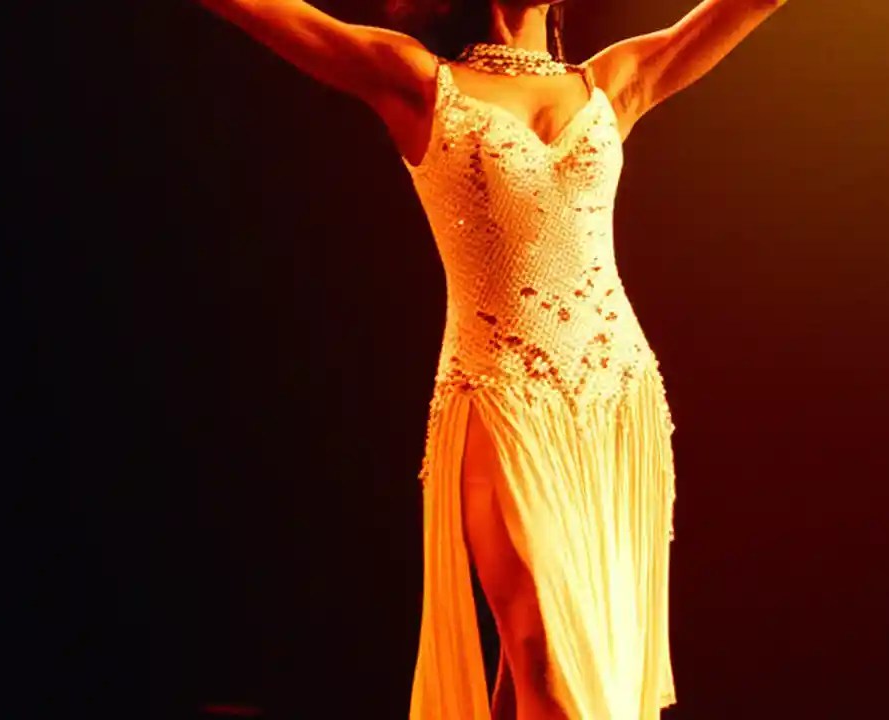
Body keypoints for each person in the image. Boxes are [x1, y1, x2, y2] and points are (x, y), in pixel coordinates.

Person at [196, 1, 789, 717]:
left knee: (539, 670)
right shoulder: (419, 82)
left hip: (615, 399)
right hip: (500, 396)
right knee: (546, 655)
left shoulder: (614, 81)